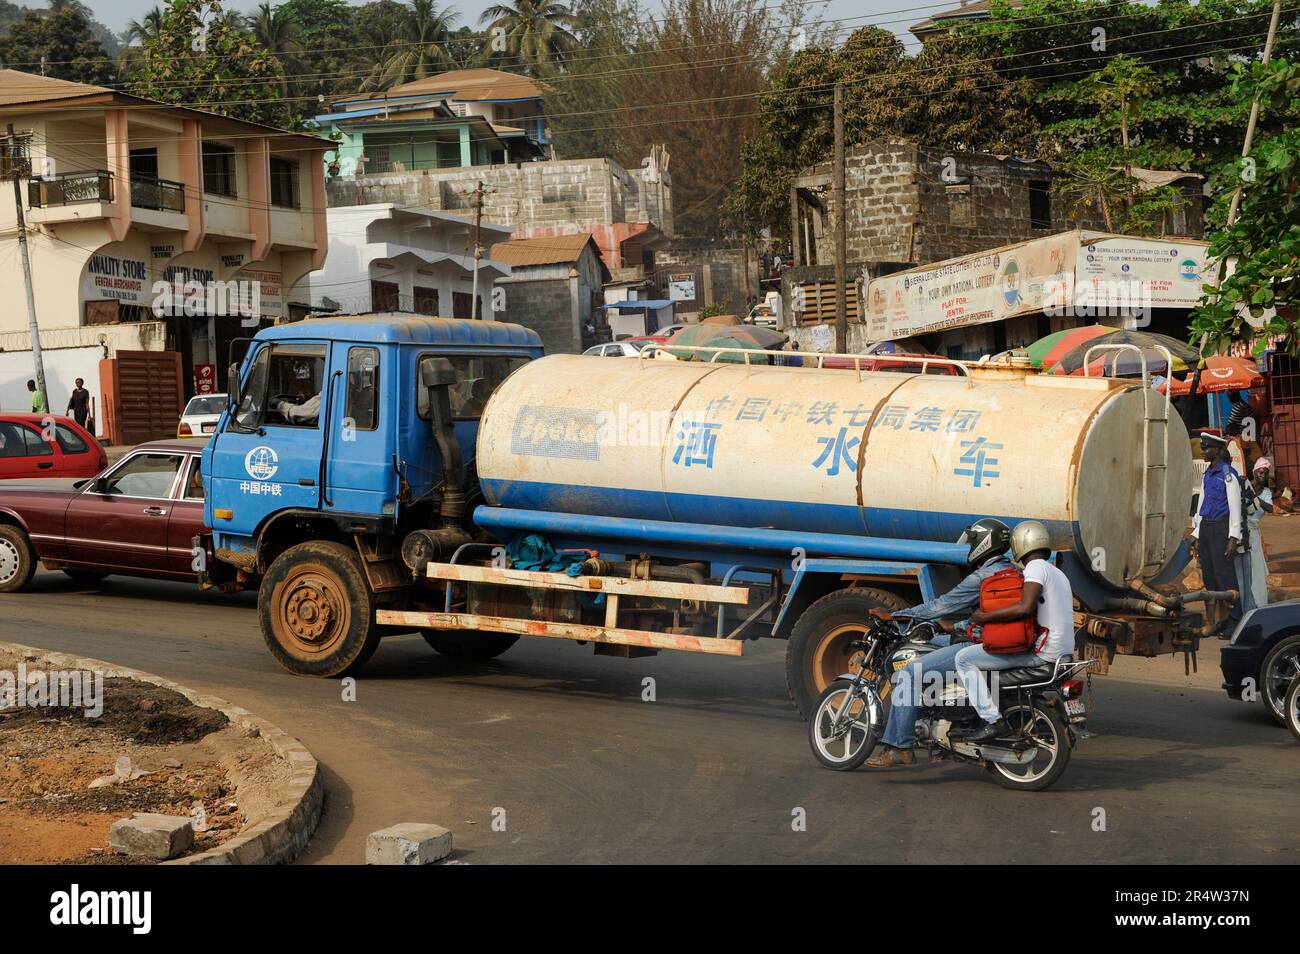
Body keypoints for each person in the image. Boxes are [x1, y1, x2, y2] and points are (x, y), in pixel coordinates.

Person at [864, 518, 1014, 768]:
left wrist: (897, 615)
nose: (970, 547)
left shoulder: (982, 577)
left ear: (984, 544)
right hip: (1002, 642)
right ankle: (937, 733)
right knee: (932, 644)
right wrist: (955, 627)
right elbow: (995, 615)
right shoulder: (1013, 571)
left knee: (909, 674)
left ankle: (900, 746)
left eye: (974, 542)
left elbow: (940, 605)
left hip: (977, 646)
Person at [956, 520, 1076, 743]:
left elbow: (1025, 606)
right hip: (1064, 652)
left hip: (1045, 653)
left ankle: (993, 721)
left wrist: (984, 617)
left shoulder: (1035, 567)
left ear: (1019, 545)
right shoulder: (1058, 573)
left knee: (964, 659)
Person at [1192, 432, 1243, 635]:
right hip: (1206, 527)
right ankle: (1219, 621)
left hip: (1222, 528)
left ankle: (1235, 620)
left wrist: (1233, 537)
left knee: (1225, 575)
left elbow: (1235, 507)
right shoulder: (1207, 474)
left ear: (1217, 451)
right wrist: (1196, 534)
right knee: (1210, 576)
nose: (1203, 452)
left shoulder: (1228, 474)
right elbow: (1201, 505)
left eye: (1206, 449)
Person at [1242, 458, 1274, 610]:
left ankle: (1258, 603)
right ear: (1254, 472)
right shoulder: (1244, 486)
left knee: (1256, 571)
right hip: (1241, 531)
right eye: (1261, 472)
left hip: (1254, 533)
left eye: (1266, 473)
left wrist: (1255, 498)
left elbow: (1270, 509)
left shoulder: (1266, 493)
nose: (1263, 475)